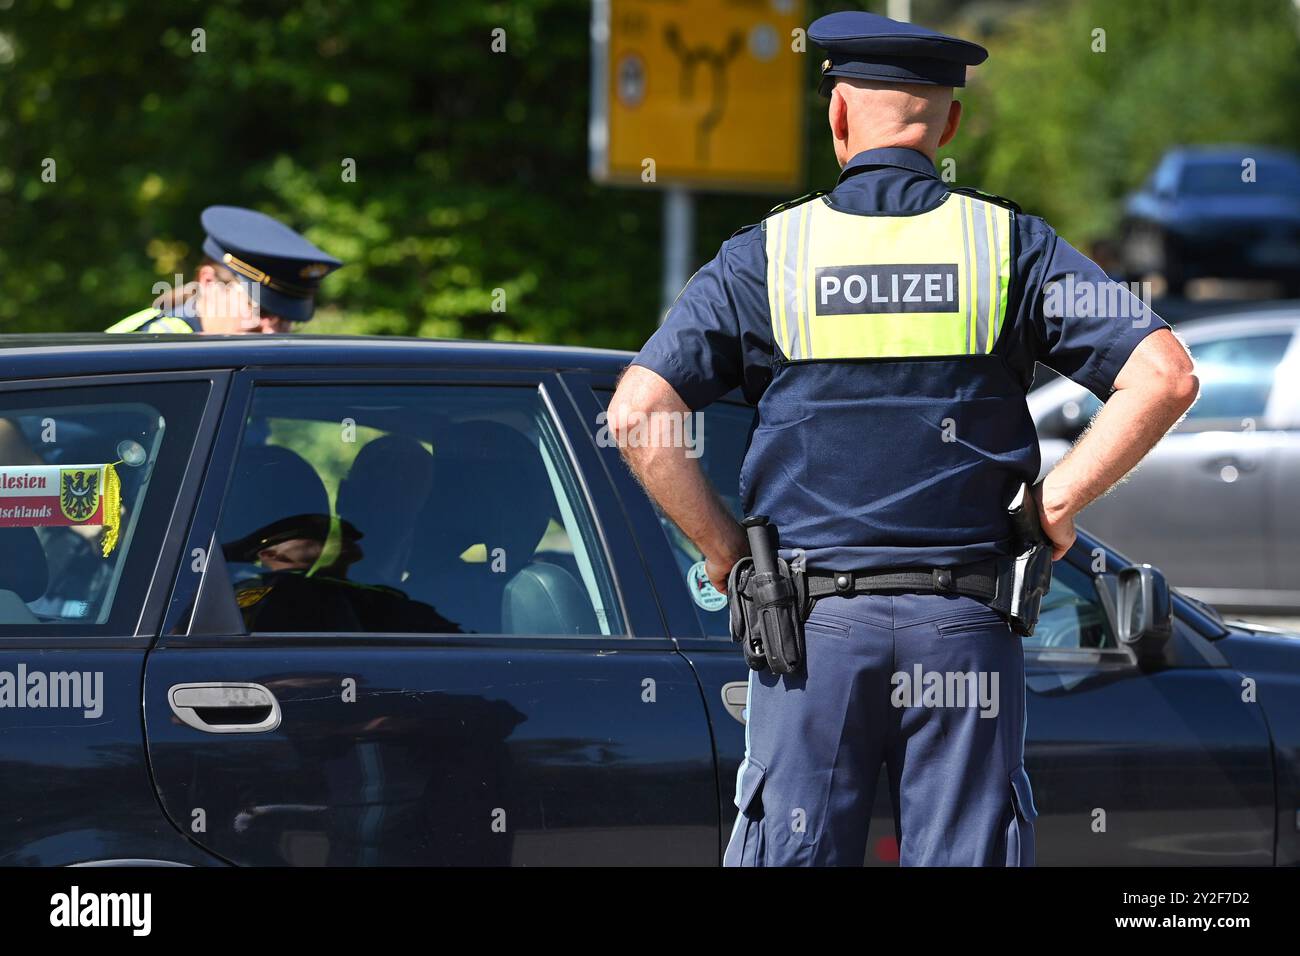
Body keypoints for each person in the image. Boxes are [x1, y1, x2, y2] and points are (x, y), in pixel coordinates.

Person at [608, 9, 1198, 867]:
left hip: (808, 632)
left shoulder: (765, 257)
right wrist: (1060, 503)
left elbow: (637, 414)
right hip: (963, 624)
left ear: (838, 114)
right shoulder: (1012, 247)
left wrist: (727, 551)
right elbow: (1167, 375)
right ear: (948, 122)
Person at [106, 205, 341, 334]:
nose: (271, 332)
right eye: (261, 311)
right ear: (208, 282)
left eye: (286, 319)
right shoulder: (153, 356)